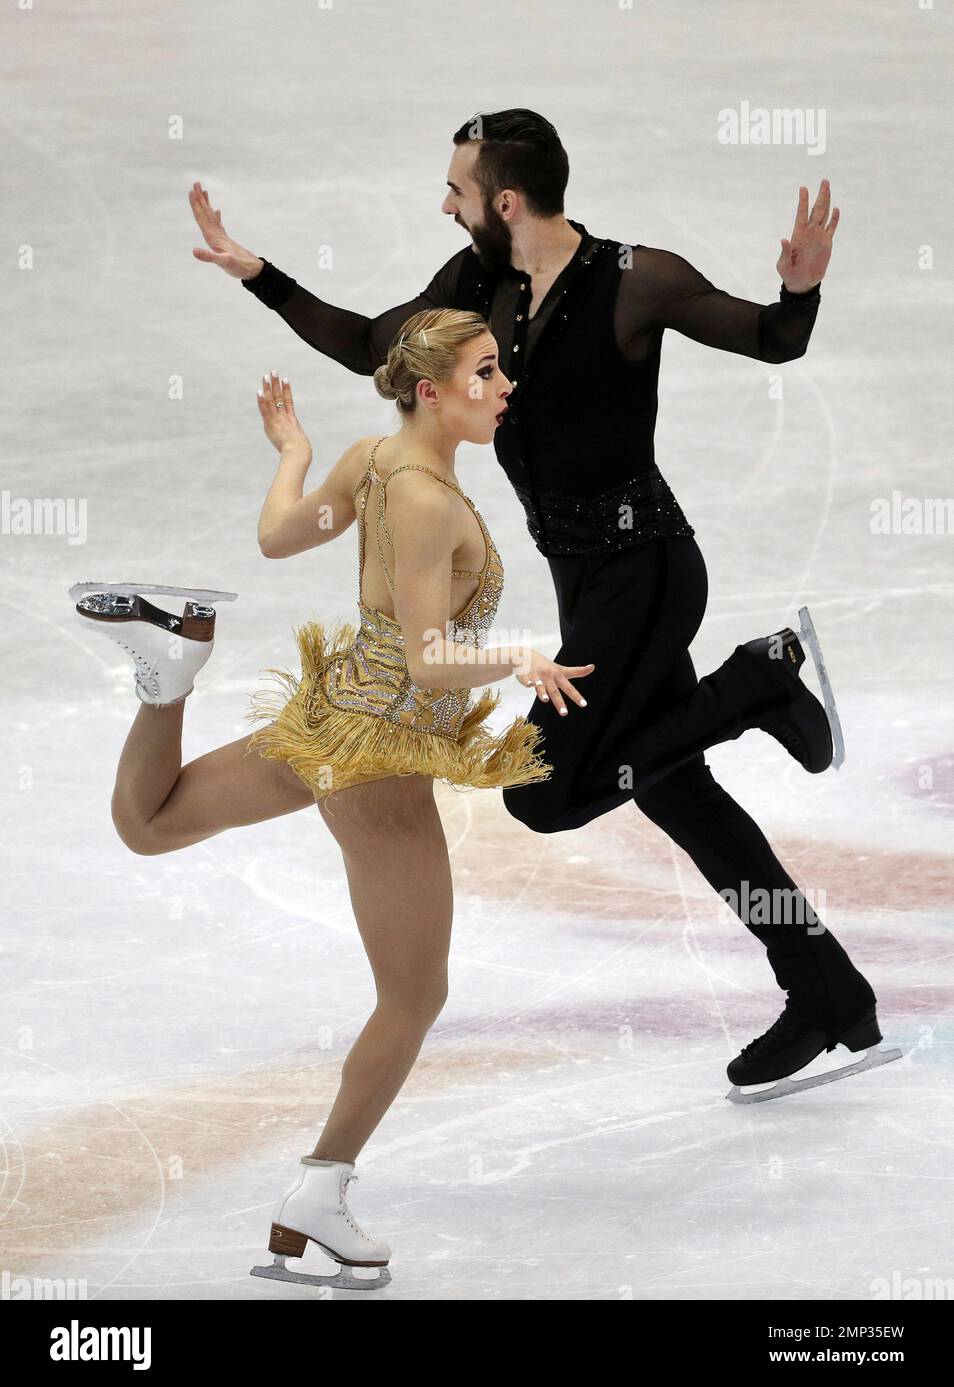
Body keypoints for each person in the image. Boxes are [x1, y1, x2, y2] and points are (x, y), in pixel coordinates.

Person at [187, 107, 883, 1094]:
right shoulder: (477, 285)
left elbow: (772, 341)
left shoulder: (640, 279)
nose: (446, 203)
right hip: (583, 575)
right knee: (671, 780)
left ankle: (756, 684)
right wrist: (261, 275)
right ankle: (827, 992)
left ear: (504, 201)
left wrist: (799, 288)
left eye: (458, 190)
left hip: (647, 573)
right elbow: (373, 348)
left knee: (546, 793)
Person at [70, 306, 594, 1290]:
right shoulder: (434, 501)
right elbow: (435, 661)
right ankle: (318, 1195)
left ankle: (171, 674)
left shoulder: (371, 458)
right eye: (484, 373)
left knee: (150, 825)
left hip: (329, 713)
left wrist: (296, 453)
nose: (503, 388)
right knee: (416, 994)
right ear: (432, 391)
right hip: (378, 759)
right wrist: (518, 656)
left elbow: (278, 537)